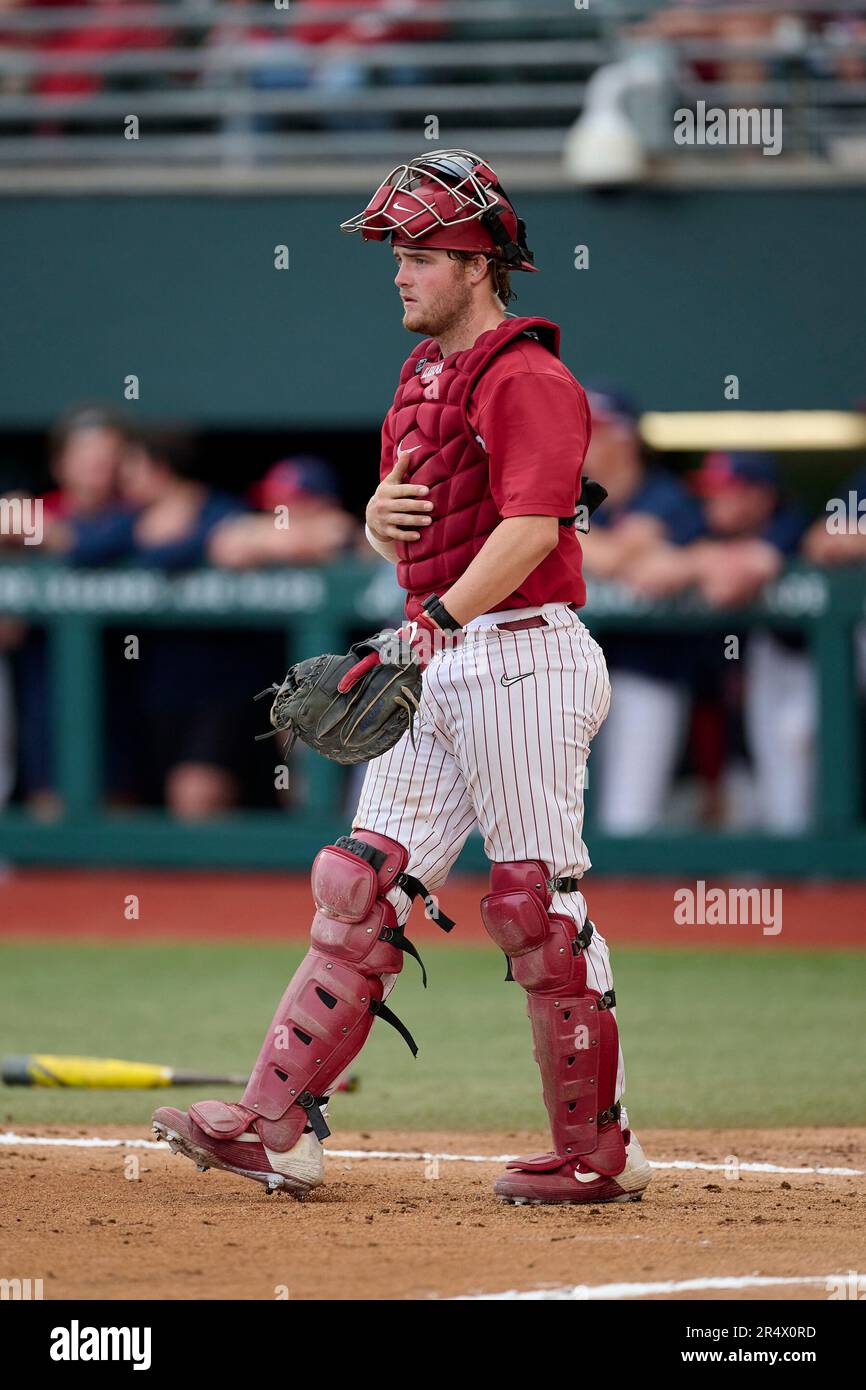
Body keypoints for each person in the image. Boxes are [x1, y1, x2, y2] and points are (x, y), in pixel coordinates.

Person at [153, 149, 652, 1208]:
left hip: (520, 653)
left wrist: (426, 621)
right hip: (439, 648)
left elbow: (529, 530)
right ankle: (277, 1123)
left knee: (532, 907)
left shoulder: (528, 373)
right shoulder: (422, 376)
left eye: (418, 253)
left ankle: (596, 1149)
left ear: (477, 264)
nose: (398, 271)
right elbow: (425, 524)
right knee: (354, 883)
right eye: (396, 252)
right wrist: (385, 531)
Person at [579, 386, 706, 832]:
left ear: (626, 437)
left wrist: (553, 534)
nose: (581, 438)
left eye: (595, 430)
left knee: (630, 821)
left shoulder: (664, 496)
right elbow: (610, 557)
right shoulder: (565, 495)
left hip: (646, 669)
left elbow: (607, 559)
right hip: (566, 677)